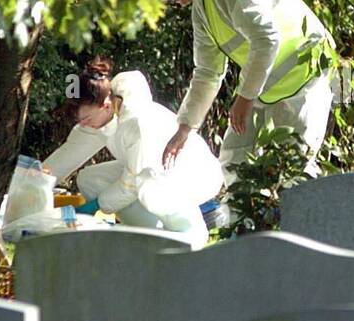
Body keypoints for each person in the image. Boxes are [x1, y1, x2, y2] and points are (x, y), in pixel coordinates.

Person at [154, 0, 335, 185]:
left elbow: (266, 39)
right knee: (233, 159)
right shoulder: (202, 6)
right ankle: (239, 222)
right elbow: (208, 72)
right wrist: (185, 129)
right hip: (264, 88)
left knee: (293, 171)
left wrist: (245, 97)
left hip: (304, 81)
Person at [42, 57, 223, 247]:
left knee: (147, 185)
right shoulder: (101, 119)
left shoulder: (137, 122)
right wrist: (33, 182)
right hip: (150, 174)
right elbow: (68, 154)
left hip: (194, 174)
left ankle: (191, 236)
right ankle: (153, 236)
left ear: (105, 105)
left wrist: (97, 205)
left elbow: (132, 182)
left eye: (86, 119)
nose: (84, 125)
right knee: (89, 179)